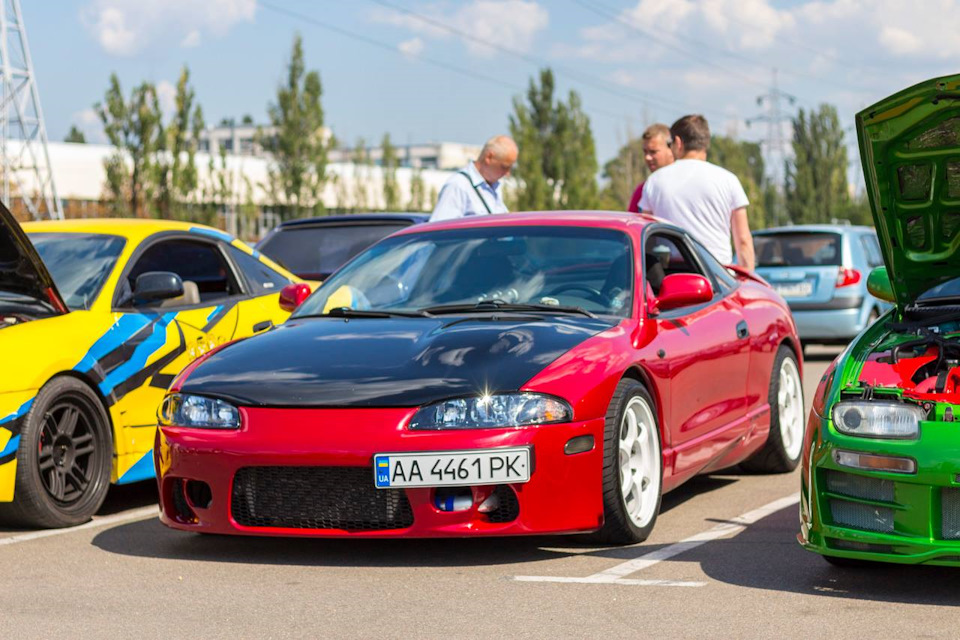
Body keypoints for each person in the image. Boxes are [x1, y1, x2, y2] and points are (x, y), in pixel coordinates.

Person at [639, 114, 755, 270]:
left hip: (672, 278)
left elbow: (647, 236)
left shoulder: (654, 181)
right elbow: (743, 241)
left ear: (678, 142)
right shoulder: (729, 180)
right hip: (718, 276)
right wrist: (746, 280)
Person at [429, 135, 518, 222]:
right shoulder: (458, 185)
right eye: (504, 167)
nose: (507, 173)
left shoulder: (494, 187)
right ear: (489, 157)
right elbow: (440, 230)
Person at [627, 123, 674, 213]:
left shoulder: (685, 185)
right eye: (645, 152)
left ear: (671, 149)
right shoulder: (642, 190)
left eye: (653, 152)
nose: (647, 157)